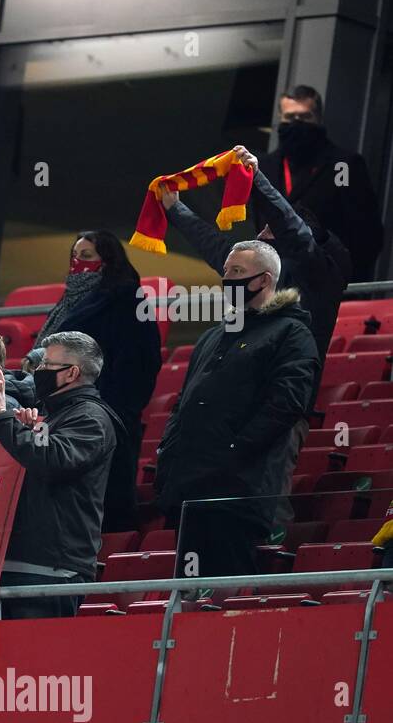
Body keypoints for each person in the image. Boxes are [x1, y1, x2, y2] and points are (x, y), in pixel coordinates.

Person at [155, 240, 320, 583]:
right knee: (186, 597)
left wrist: (234, 451)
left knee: (224, 593)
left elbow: (287, 402)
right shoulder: (213, 336)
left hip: (237, 491)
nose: (227, 278)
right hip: (189, 488)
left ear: (264, 279)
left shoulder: (292, 333)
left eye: (238, 272)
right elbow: (184, 402)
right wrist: (169, 451)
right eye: (226, 271)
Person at [162, 144, 351, 367]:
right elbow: (215, 246)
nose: (261, 234)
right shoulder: (256, 268)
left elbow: (288, 223)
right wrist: (175, 208)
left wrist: (255, 177)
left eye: (270, 229)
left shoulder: (317, 274)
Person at [0, 331, 121, 619]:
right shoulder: (55, 415)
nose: (39, 371)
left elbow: (52, 459)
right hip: (21, 565)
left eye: (46, 365)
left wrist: (2, 419)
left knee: (31, 663)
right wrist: (21, 429)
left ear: (72, 373)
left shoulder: (91, 418)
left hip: (52, 569)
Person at [34, 231, 159, 532]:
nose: (78, 264)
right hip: (59, 413)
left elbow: (140, 362)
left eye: (87, 256)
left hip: (101, 415)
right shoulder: (69, 302)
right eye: (75, 257)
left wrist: (111, 410)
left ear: (108, 261)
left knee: (101, 510)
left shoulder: (127, 299)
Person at [257, 85, 384, 281]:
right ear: (280, 119)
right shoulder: (264, 167)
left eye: (305, 117)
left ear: (318, 119)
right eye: (290, 118)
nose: (296, 124)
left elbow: (365, 233)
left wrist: (342, 278)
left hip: (326, 280)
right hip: (275, 281)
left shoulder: (343, 165)